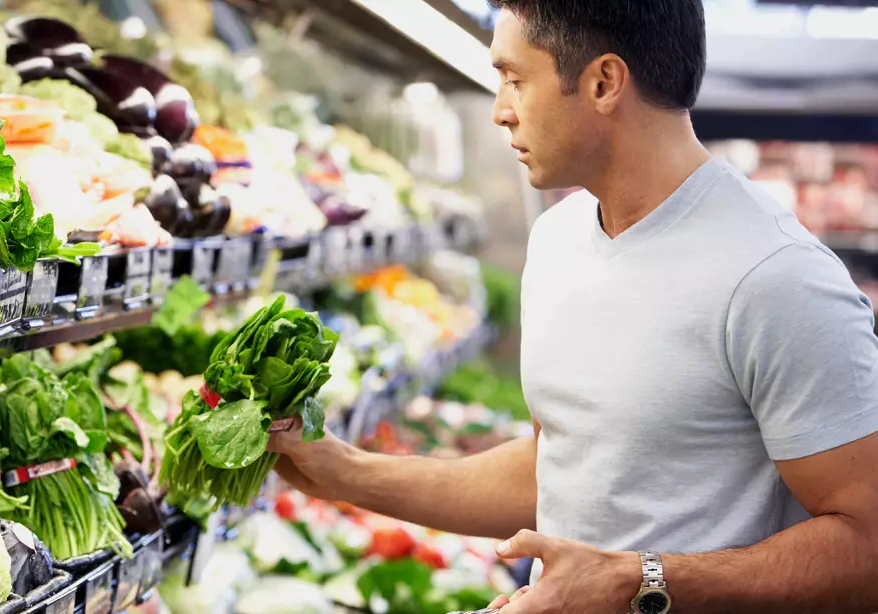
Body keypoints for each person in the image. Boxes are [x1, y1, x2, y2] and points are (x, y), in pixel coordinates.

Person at [266, 1, 878, 613]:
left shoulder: (776, 277)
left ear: (603, 83)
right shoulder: (556, 240)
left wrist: (635, 581)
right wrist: (344, 471)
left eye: (514, 78)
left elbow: (866, 546)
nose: (501, 111)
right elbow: (558, 468)